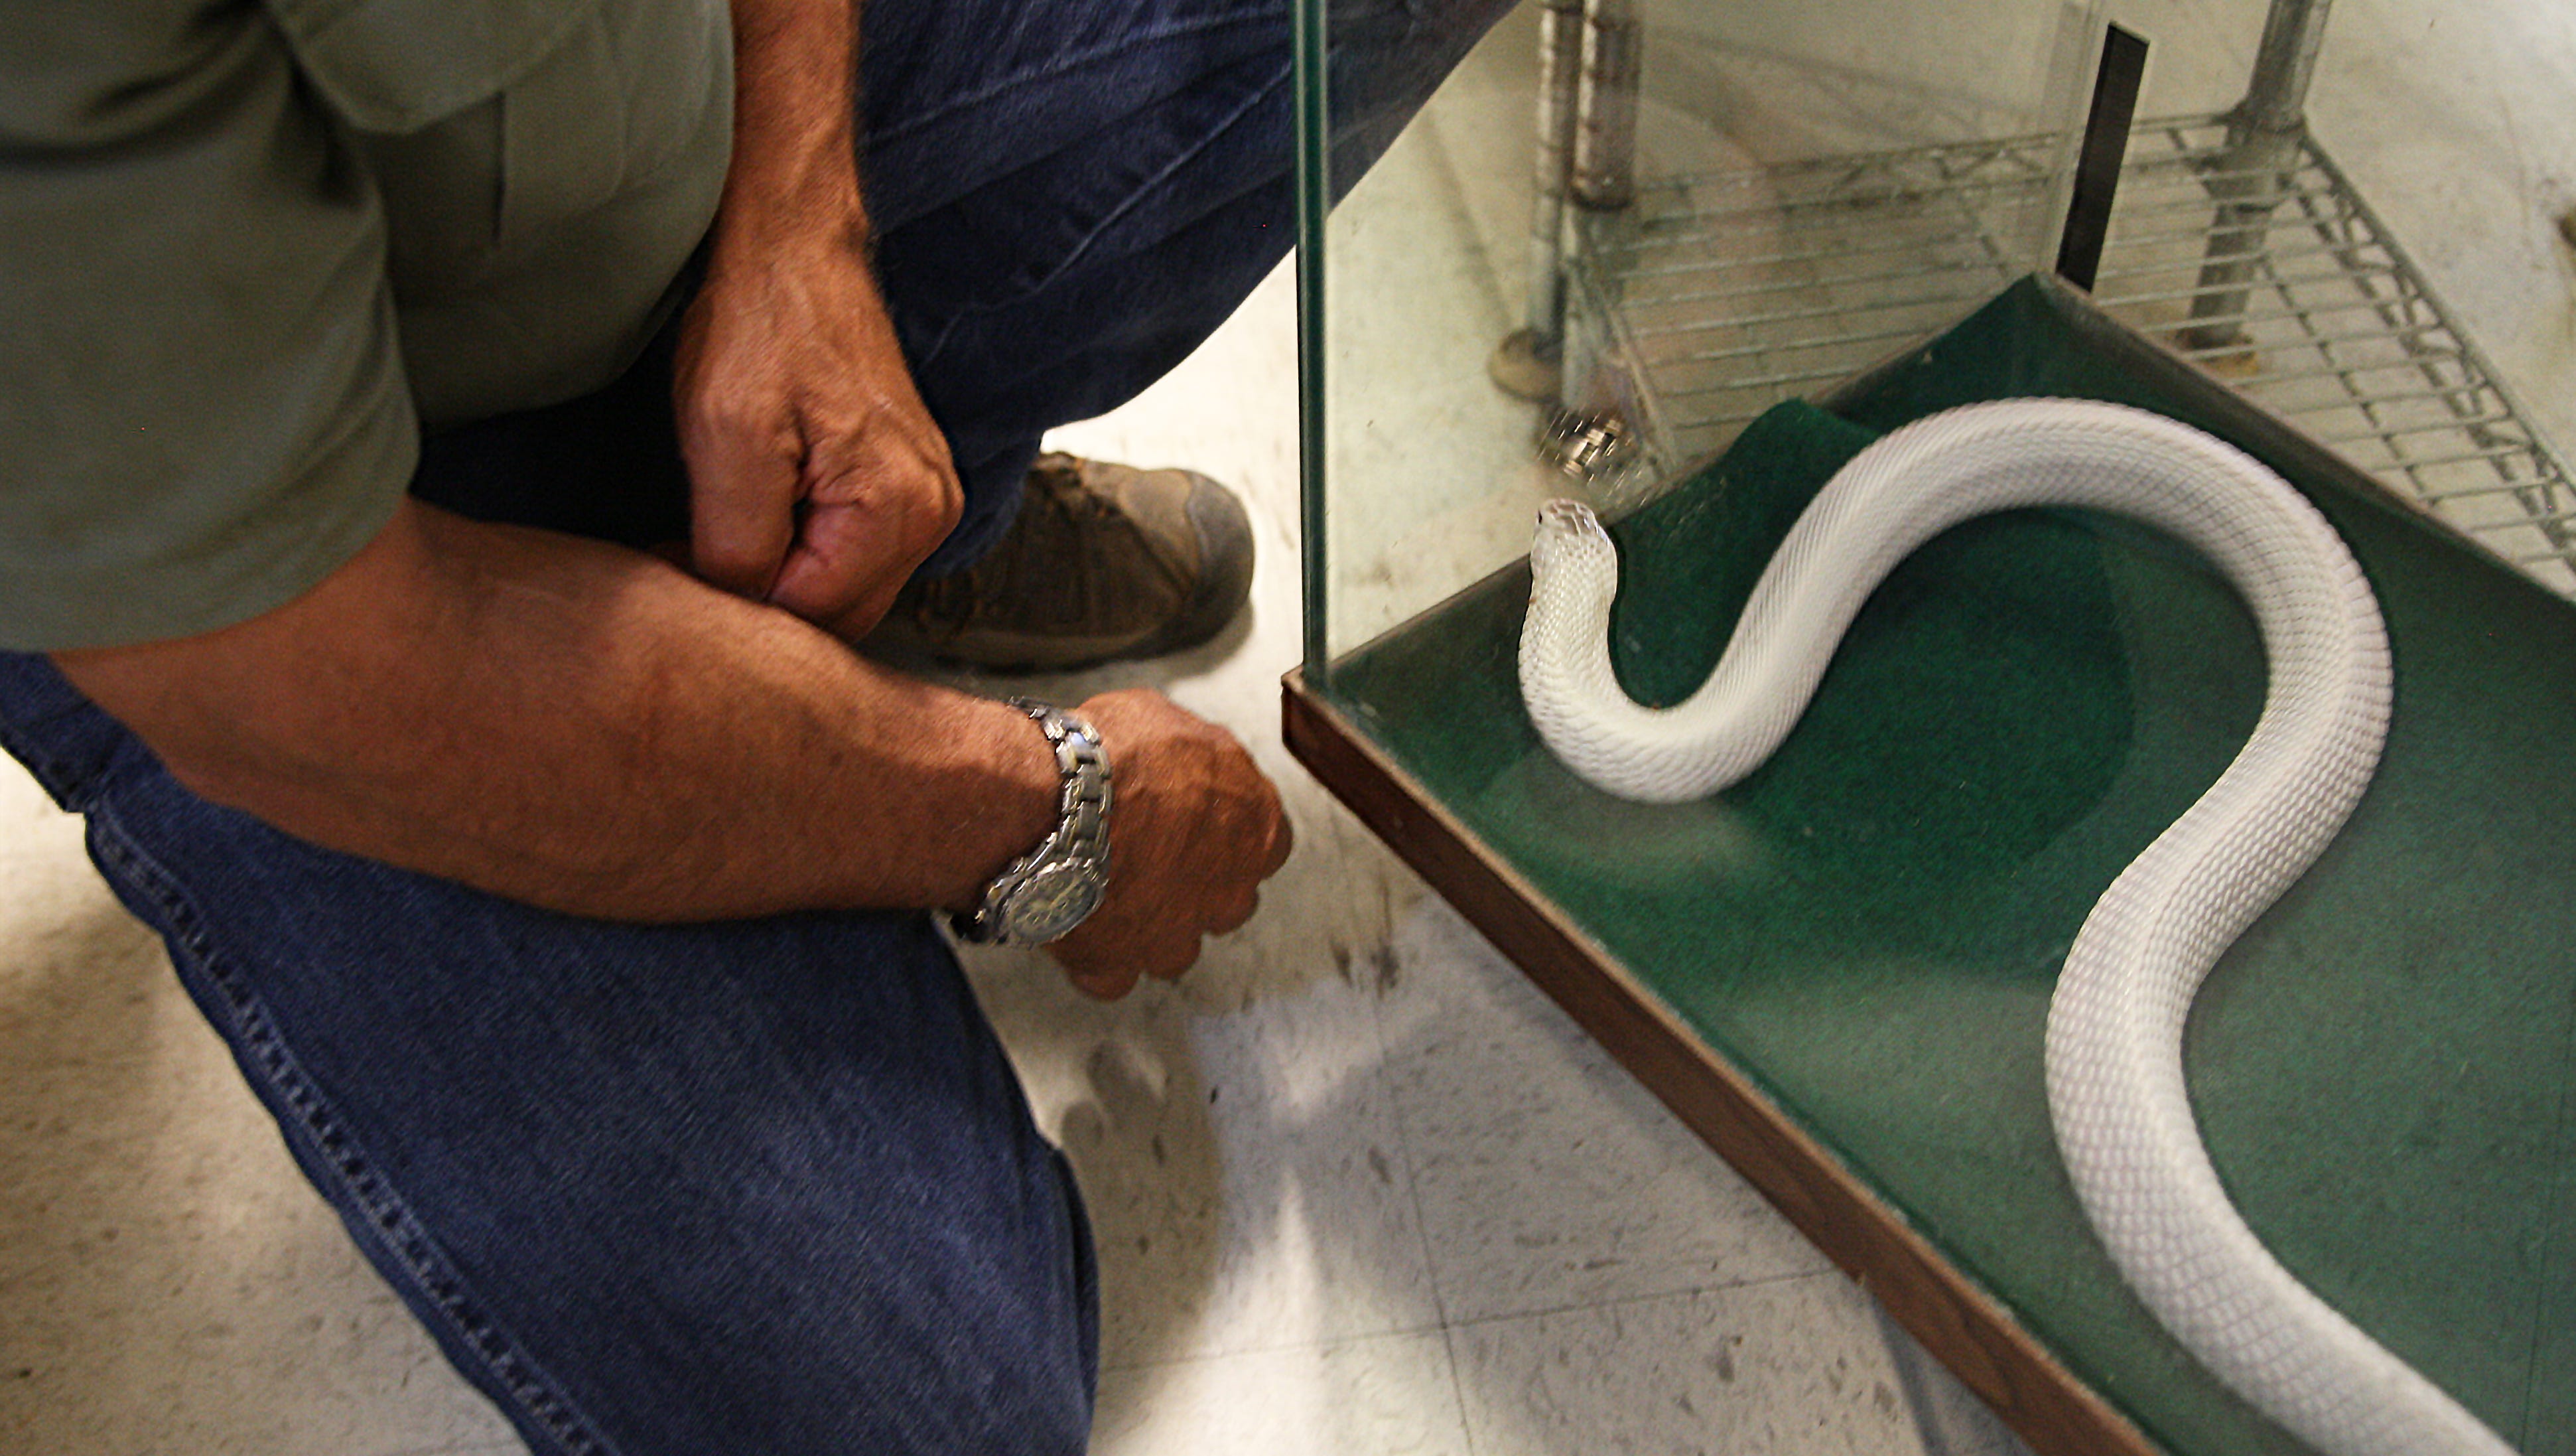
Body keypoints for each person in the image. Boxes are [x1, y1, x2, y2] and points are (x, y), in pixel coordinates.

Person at [0, 0, 1511, 1451]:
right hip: (295, 580)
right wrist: (1052, 812)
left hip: (657, 164)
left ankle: (902, 543)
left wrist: (800, 226)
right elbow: (328, 689)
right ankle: (785, 683)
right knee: (917, 1418)